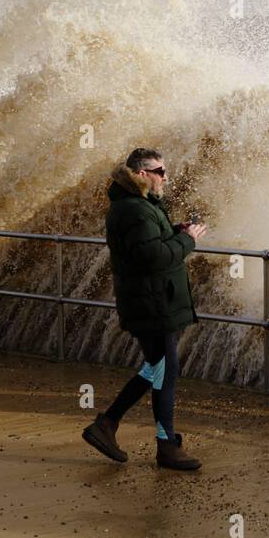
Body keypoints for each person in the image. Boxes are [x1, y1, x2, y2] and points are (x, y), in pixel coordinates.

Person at [82, 147, 207, 470]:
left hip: (152, 301)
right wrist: (188, 240)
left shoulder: (139, 205)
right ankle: (166, 447)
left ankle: (107, 425)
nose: (165, 177)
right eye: (159, 172)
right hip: (152, 305)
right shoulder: (135, 210)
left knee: (157, 368)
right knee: (164, 373)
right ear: (141, 174)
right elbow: (151, 258)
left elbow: (150, 246)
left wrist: (173, 232)